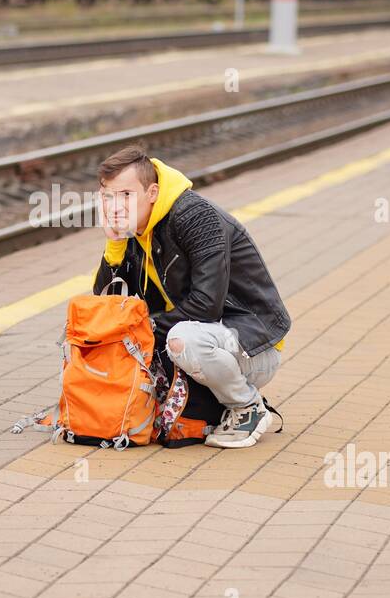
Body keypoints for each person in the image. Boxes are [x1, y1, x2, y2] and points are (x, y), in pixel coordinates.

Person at [92, 145, 291, 448]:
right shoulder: (137, 230)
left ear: (152, 192)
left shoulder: (197, 218)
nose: (115, 206)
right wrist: (115, 244)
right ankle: (210, 407)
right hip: (202, 342)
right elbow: (108, 303)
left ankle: (247, 407)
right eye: (108, 196)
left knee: (182, 338)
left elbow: (207, 306)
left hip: (253, 345)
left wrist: (141, 331)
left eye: (126, 195)